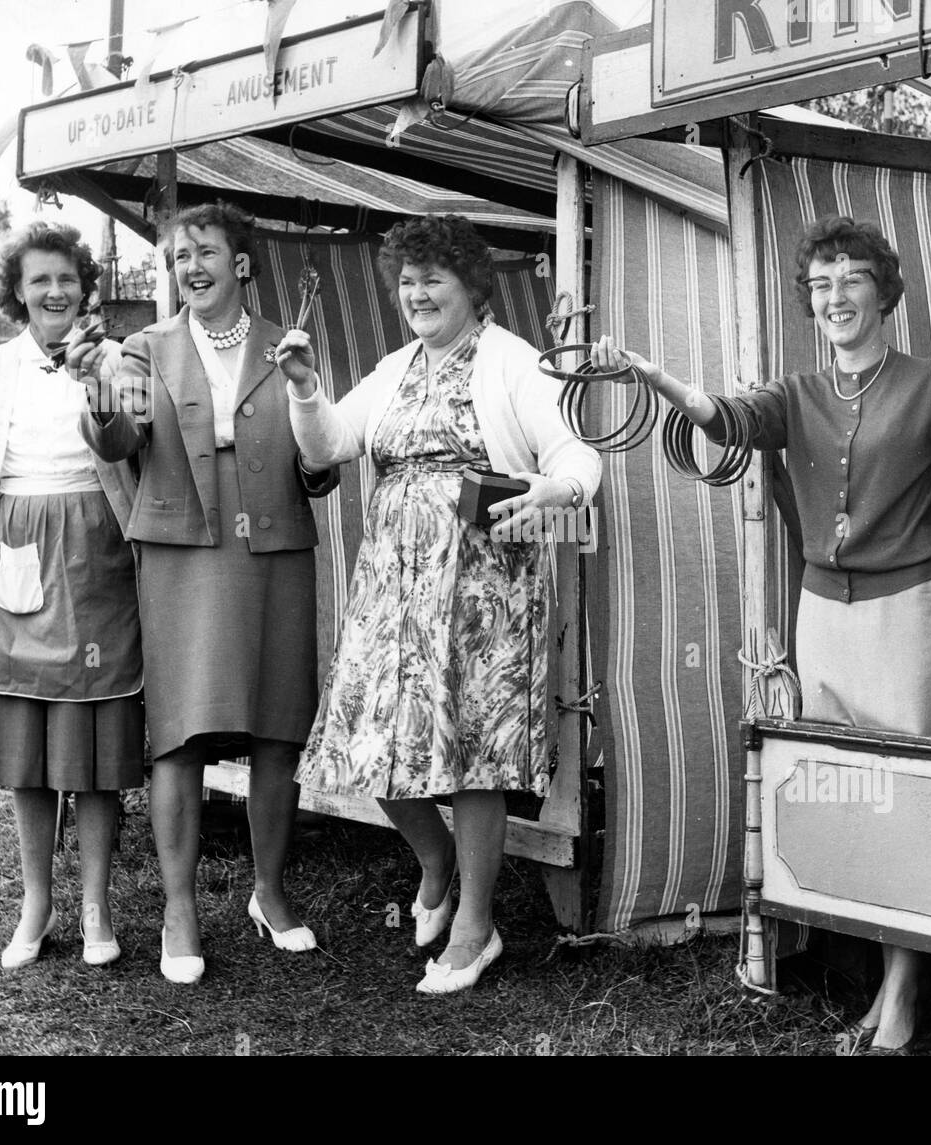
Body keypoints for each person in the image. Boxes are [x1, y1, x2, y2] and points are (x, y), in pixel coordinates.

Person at [592, 215, 931, 1051]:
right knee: (852, 801)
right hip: (823, 621)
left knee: (914, 805)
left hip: (909, 618)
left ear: (884, 291)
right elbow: (725, 419)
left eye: (851, 277)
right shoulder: (798, 393)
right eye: (819, 284)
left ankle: (903, 993)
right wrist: (655, 378)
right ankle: (885, 979)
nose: (834, 296)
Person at [284, 214, 601, 993]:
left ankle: (476, 928)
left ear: (470, 286)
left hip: (484, 584)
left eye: (434, 278)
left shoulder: (513, 361)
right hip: (392, 583)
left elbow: (575, 455)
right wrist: (303, 388)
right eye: (407, 280)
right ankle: (436, 859)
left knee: (475, 754)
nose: (417, 293)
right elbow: (327, 445)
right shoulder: (395, 366)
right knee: (370, 737)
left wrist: (557, 487)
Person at [73, 201, 338, 984]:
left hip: (277, 547)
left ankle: (270, 892)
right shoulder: (142, 348)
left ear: (242, 263)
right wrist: (98, 398)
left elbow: (318, 467)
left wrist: (308, 391)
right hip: (184, 548)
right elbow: (121, 441)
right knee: (180, 734)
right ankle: (179, 908)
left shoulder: (283, 342)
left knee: (277, 728)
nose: (190, 267)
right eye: (179, 257)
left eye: (206, 252)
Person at [0, 220, 143, 969]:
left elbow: (126, 447)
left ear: (86, 285)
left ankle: (95, 906)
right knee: (25, 745)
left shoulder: (123, 358)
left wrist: (95, 381)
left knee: (90, 743)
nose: (54, 291)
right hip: (18, 550)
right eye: (38, 280)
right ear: (16, 293)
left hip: (96, 549)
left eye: (66, 277)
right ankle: (36, 903)